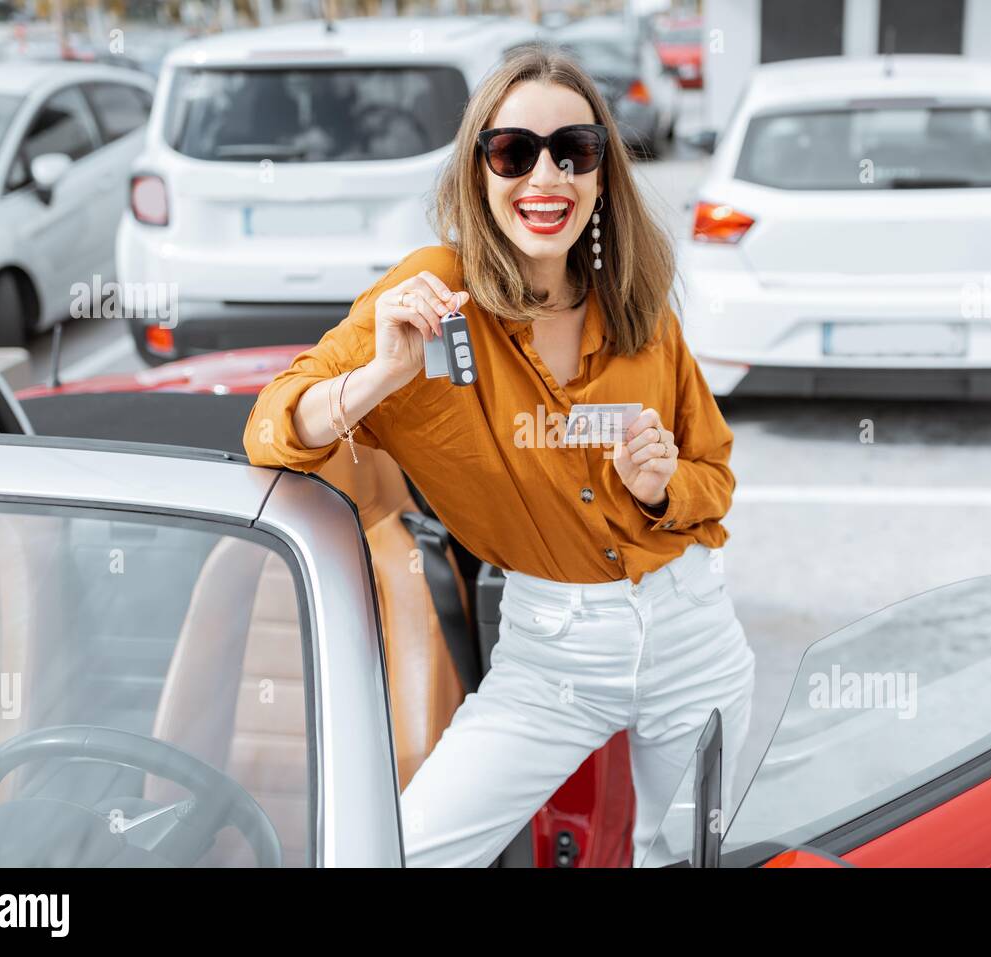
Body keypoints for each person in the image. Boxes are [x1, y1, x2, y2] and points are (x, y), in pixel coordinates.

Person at [242, 42, 755, 867]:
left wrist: (662, 490)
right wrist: (379, 374)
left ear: (601, 173)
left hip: (693, 631)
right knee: (395, 857)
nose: (545, 178)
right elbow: (271, 424)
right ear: (478, 169)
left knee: (690, 860)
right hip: (554, 655)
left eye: (574, 151)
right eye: (514, 152)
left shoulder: (637, 304)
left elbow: (716, 479)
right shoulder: (434, 290)